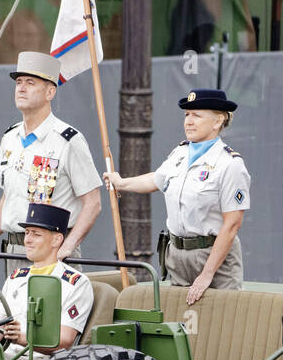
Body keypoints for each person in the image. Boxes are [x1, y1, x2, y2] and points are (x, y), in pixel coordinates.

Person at [105, 88, 248, 304]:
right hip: (178, 255)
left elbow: (232, 225)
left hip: (213, 256)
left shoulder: (230, 164)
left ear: (218, 121)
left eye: (197, 115)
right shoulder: (181, 153)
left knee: (221, 323)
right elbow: (157, 180)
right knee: (183, 319)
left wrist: (207, 273)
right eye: (186, 115)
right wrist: (121, 183)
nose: (189, 121)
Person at [0, 51, 101, 265]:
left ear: (50, 92)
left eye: (30, 83)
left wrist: (68, 246)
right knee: (13, 300)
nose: (21, 88)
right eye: (18, 82)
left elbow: (93, 202)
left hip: (52, 251)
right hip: (13, 249)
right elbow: (9, 196)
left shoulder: (68, 140)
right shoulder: (10, 137)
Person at [0, 202, 93, 356]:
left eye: (36, 234)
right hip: (7, 357)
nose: (27, 240)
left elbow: (65, 340)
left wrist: (22, 338)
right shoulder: (16, 277)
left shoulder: (76, 284)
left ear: (57, 240)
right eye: (26, 233)